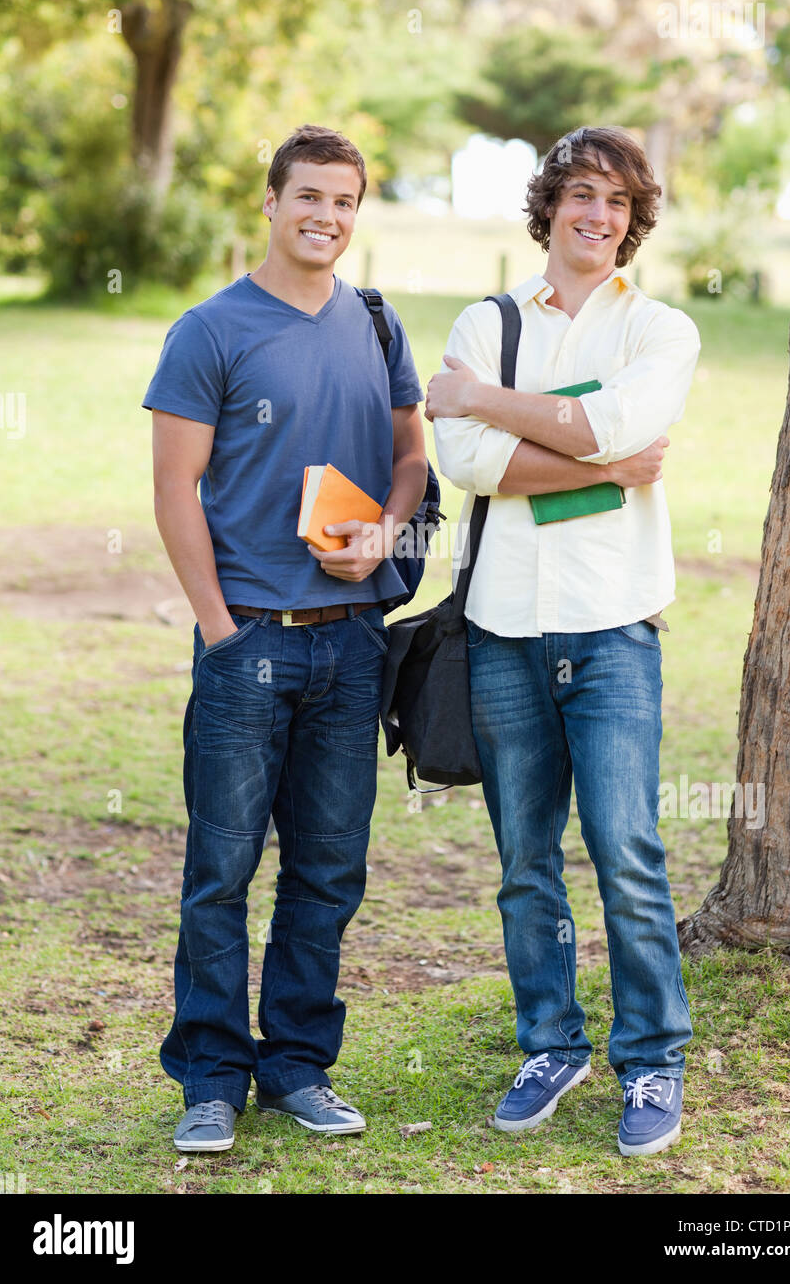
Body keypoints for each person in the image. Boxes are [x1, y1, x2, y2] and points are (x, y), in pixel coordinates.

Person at [142, 124, 427, 1151]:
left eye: (344, 201)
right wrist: (218, 629)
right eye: (307, 196)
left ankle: (296, 1066)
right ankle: (211, 1076)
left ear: (357, 211)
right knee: (220, 868)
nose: (325, 216)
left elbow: (410, 458)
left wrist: (388, 532)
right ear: (270, 201)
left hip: (351, 647)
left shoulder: (374, 323)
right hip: (245, 643)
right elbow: (174, 488)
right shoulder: (210, 330)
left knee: (327, 869)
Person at [426, 125, 700, 1157]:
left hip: (614, 628)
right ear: (549, 207)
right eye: (580, 194)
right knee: (522, 861)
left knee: (625, 850)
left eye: (618, 203)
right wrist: (591, 452)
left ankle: (651, 1060)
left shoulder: (659, 330)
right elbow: (468, 461)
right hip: (500, 631)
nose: (597, 215)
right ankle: (549, 1041)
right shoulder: (486, 319)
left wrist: (492, 406)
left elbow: (612, 429)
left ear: (633, 224)